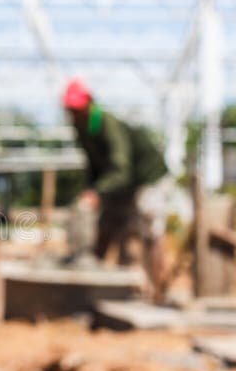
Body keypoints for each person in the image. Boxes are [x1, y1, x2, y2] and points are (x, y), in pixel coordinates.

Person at [63, 78, 174, 299]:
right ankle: (92, 289)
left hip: (146, 178)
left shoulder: (106, 123)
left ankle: (158, 290)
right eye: (70, 110)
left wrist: (97, 192)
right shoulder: (83, 127)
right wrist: (91, 190)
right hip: (121, 182)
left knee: (148, 226)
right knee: (105, 226)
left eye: (76, 109)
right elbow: (94, 166)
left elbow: (121, 168)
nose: (73, 114)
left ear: (88, 104)